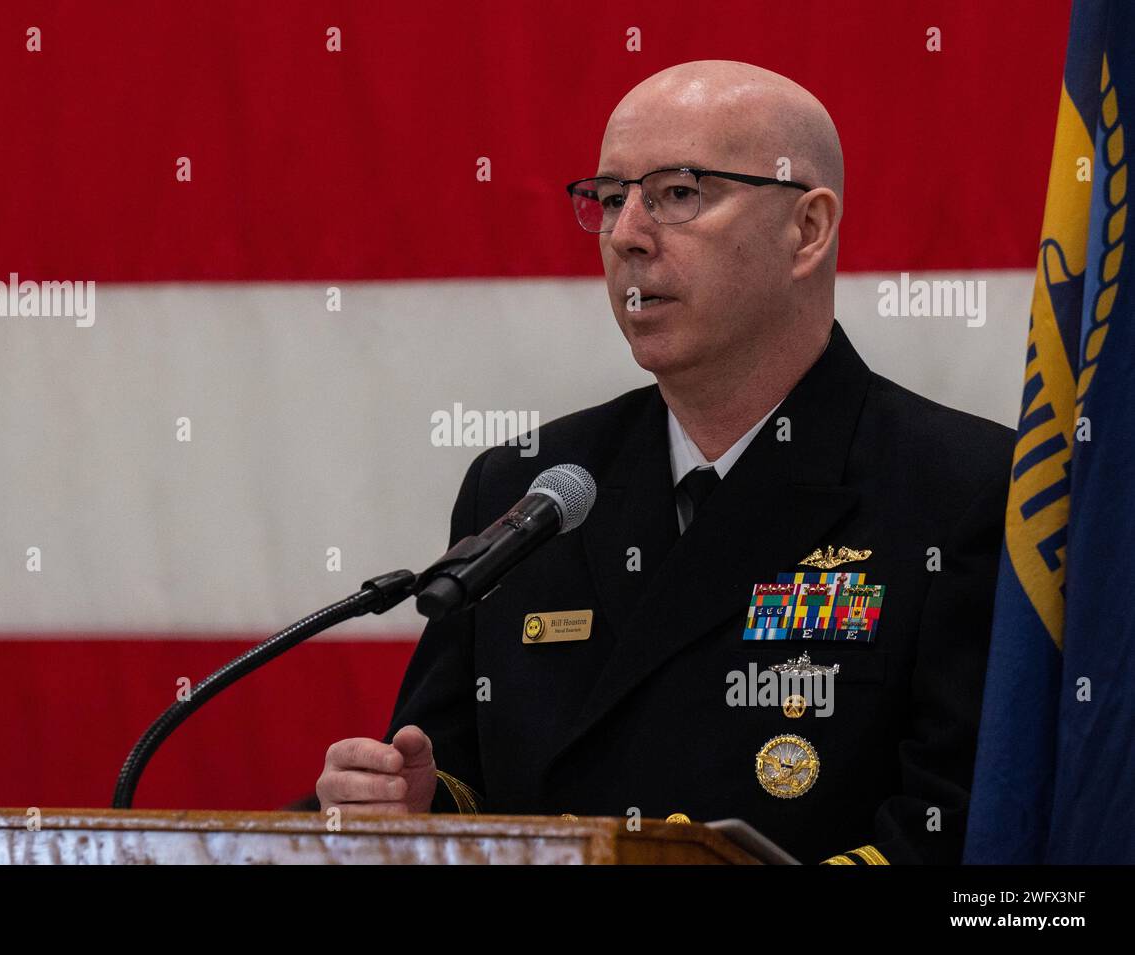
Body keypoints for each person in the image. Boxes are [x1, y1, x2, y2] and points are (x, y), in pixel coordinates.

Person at [315, 60, 1014, 864]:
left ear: (808, 230)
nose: (626, 235)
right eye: (612, 198)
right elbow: (460, 778)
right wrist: (409, 805)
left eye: (678, 193)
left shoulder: (963, 489)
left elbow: (971, 833)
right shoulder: (529, 486)